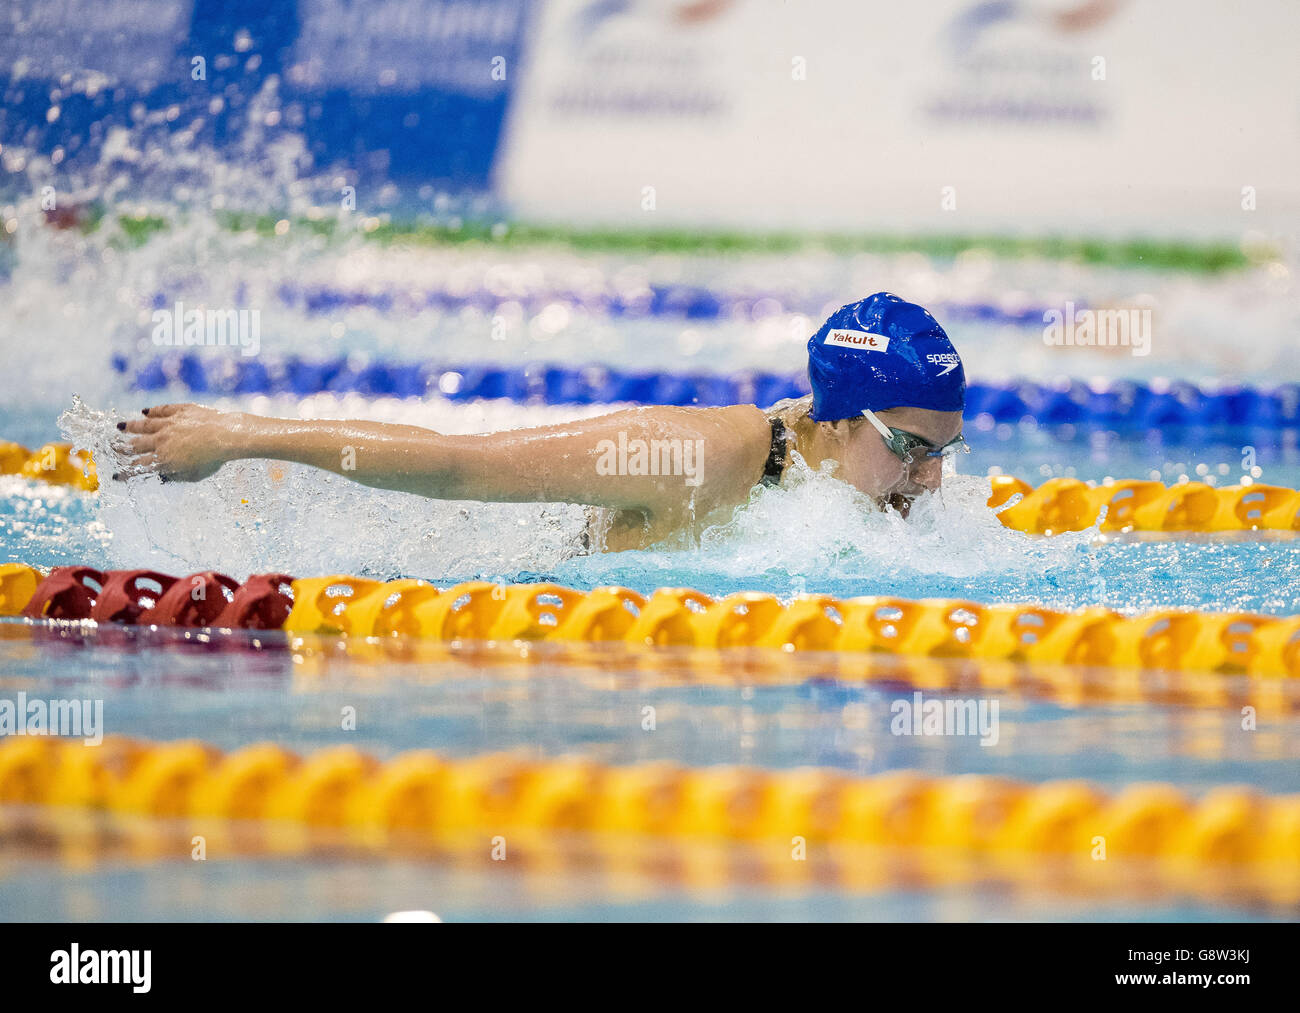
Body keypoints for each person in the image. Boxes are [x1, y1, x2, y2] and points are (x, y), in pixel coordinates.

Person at [116, 291, 969, 552]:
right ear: (836, 417)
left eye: (944, 452)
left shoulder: (890, 514)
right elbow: (459, 464)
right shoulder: (696, 456)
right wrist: (236, 436)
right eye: (911, 449)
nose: (930, 479)